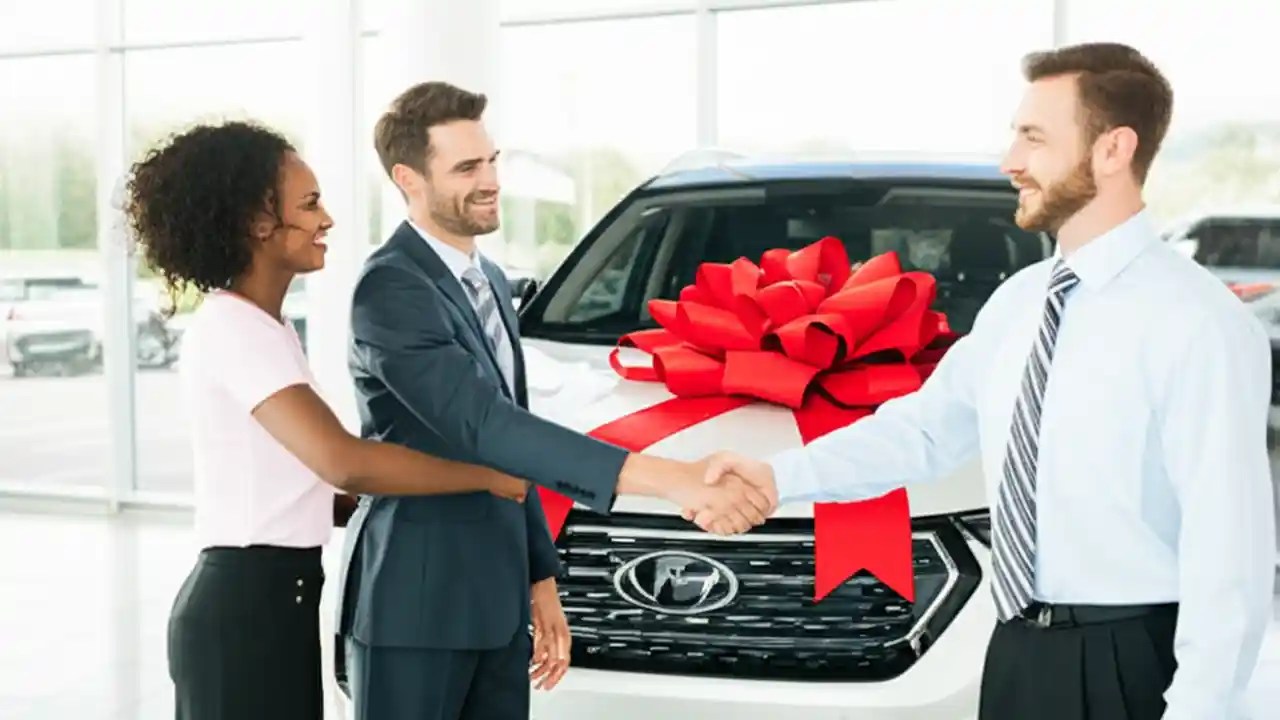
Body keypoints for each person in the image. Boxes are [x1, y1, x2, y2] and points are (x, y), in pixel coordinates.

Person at [701, 42, 1275, 719]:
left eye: (1033, 137)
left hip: (1131, 665)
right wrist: (777, 478)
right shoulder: (1021, 302)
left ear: (1114, 149)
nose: (1010, 161)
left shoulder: (1197, 320)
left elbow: (1229, 549)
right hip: (1015, 653)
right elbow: (924, 432)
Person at [334, 81, 772, 719]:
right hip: (417, 609)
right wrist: (674, 480)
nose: (490, 181)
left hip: (498, 606)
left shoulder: (483, 279)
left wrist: (540, 578)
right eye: (466, 168)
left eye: (491, 161)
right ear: (409, 179)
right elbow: (488, 427)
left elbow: (519, 439)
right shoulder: (390, 289)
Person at [123, 120, 542, 720]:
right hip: (245, 608)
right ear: (257, 222)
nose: (327, 221)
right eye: (310, 204)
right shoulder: (234, 329)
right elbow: (344, 460)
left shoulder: (270, 330)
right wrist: (486, 475)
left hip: (279, 600)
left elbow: (305, 487)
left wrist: (399, 513)